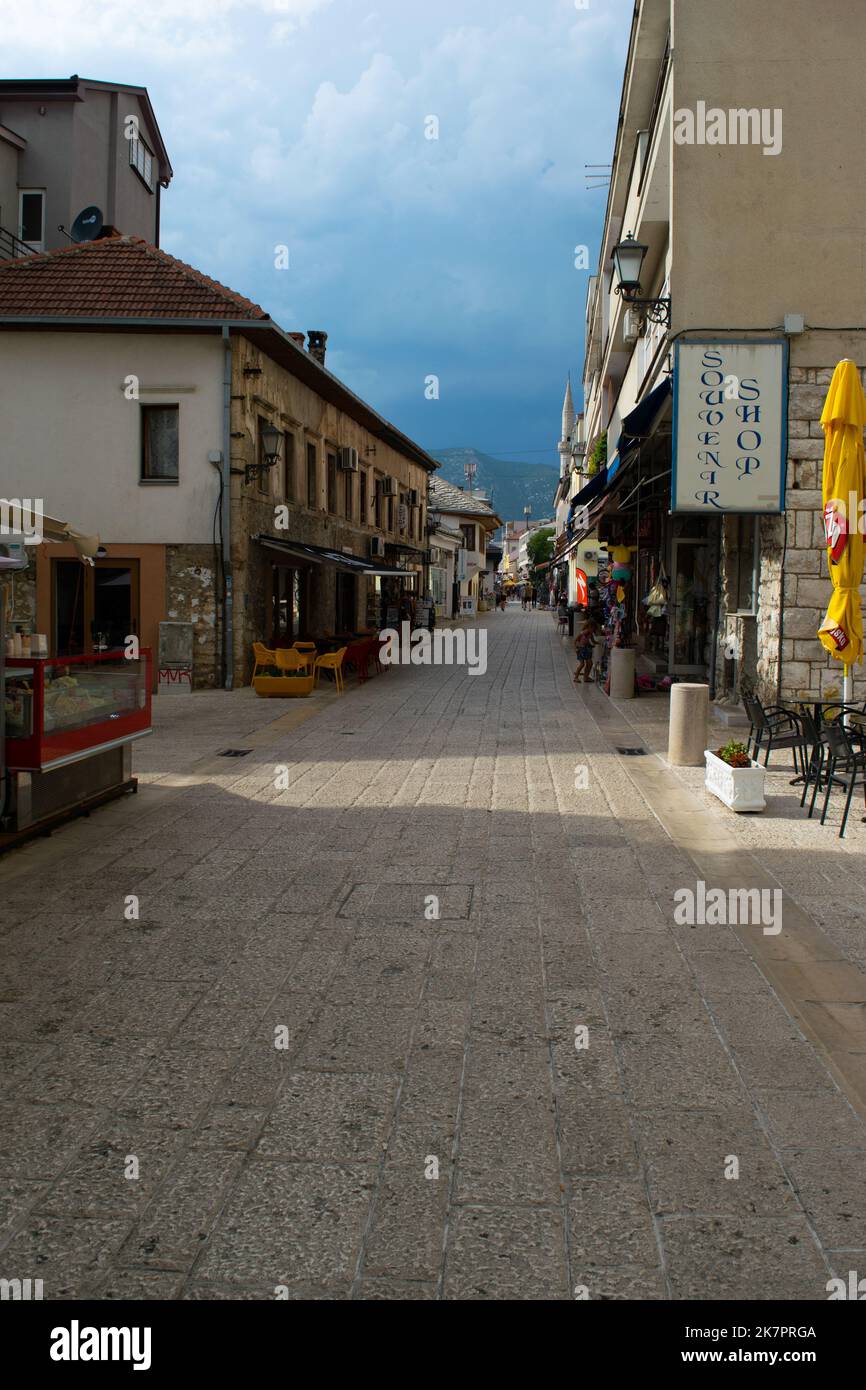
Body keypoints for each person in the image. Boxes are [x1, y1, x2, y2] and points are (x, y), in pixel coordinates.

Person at [574, 614, 597, 684]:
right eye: (592, 628)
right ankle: (576, 677)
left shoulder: (590, 633)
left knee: (589, 663)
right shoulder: (584, 632)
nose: (593, 630)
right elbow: (576, 640)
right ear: (589, 626)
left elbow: (592, 641)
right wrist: (576, 648)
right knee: (582, 664)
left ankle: (586, 677)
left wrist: (597, 643)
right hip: (581, 649)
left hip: (586, 649)